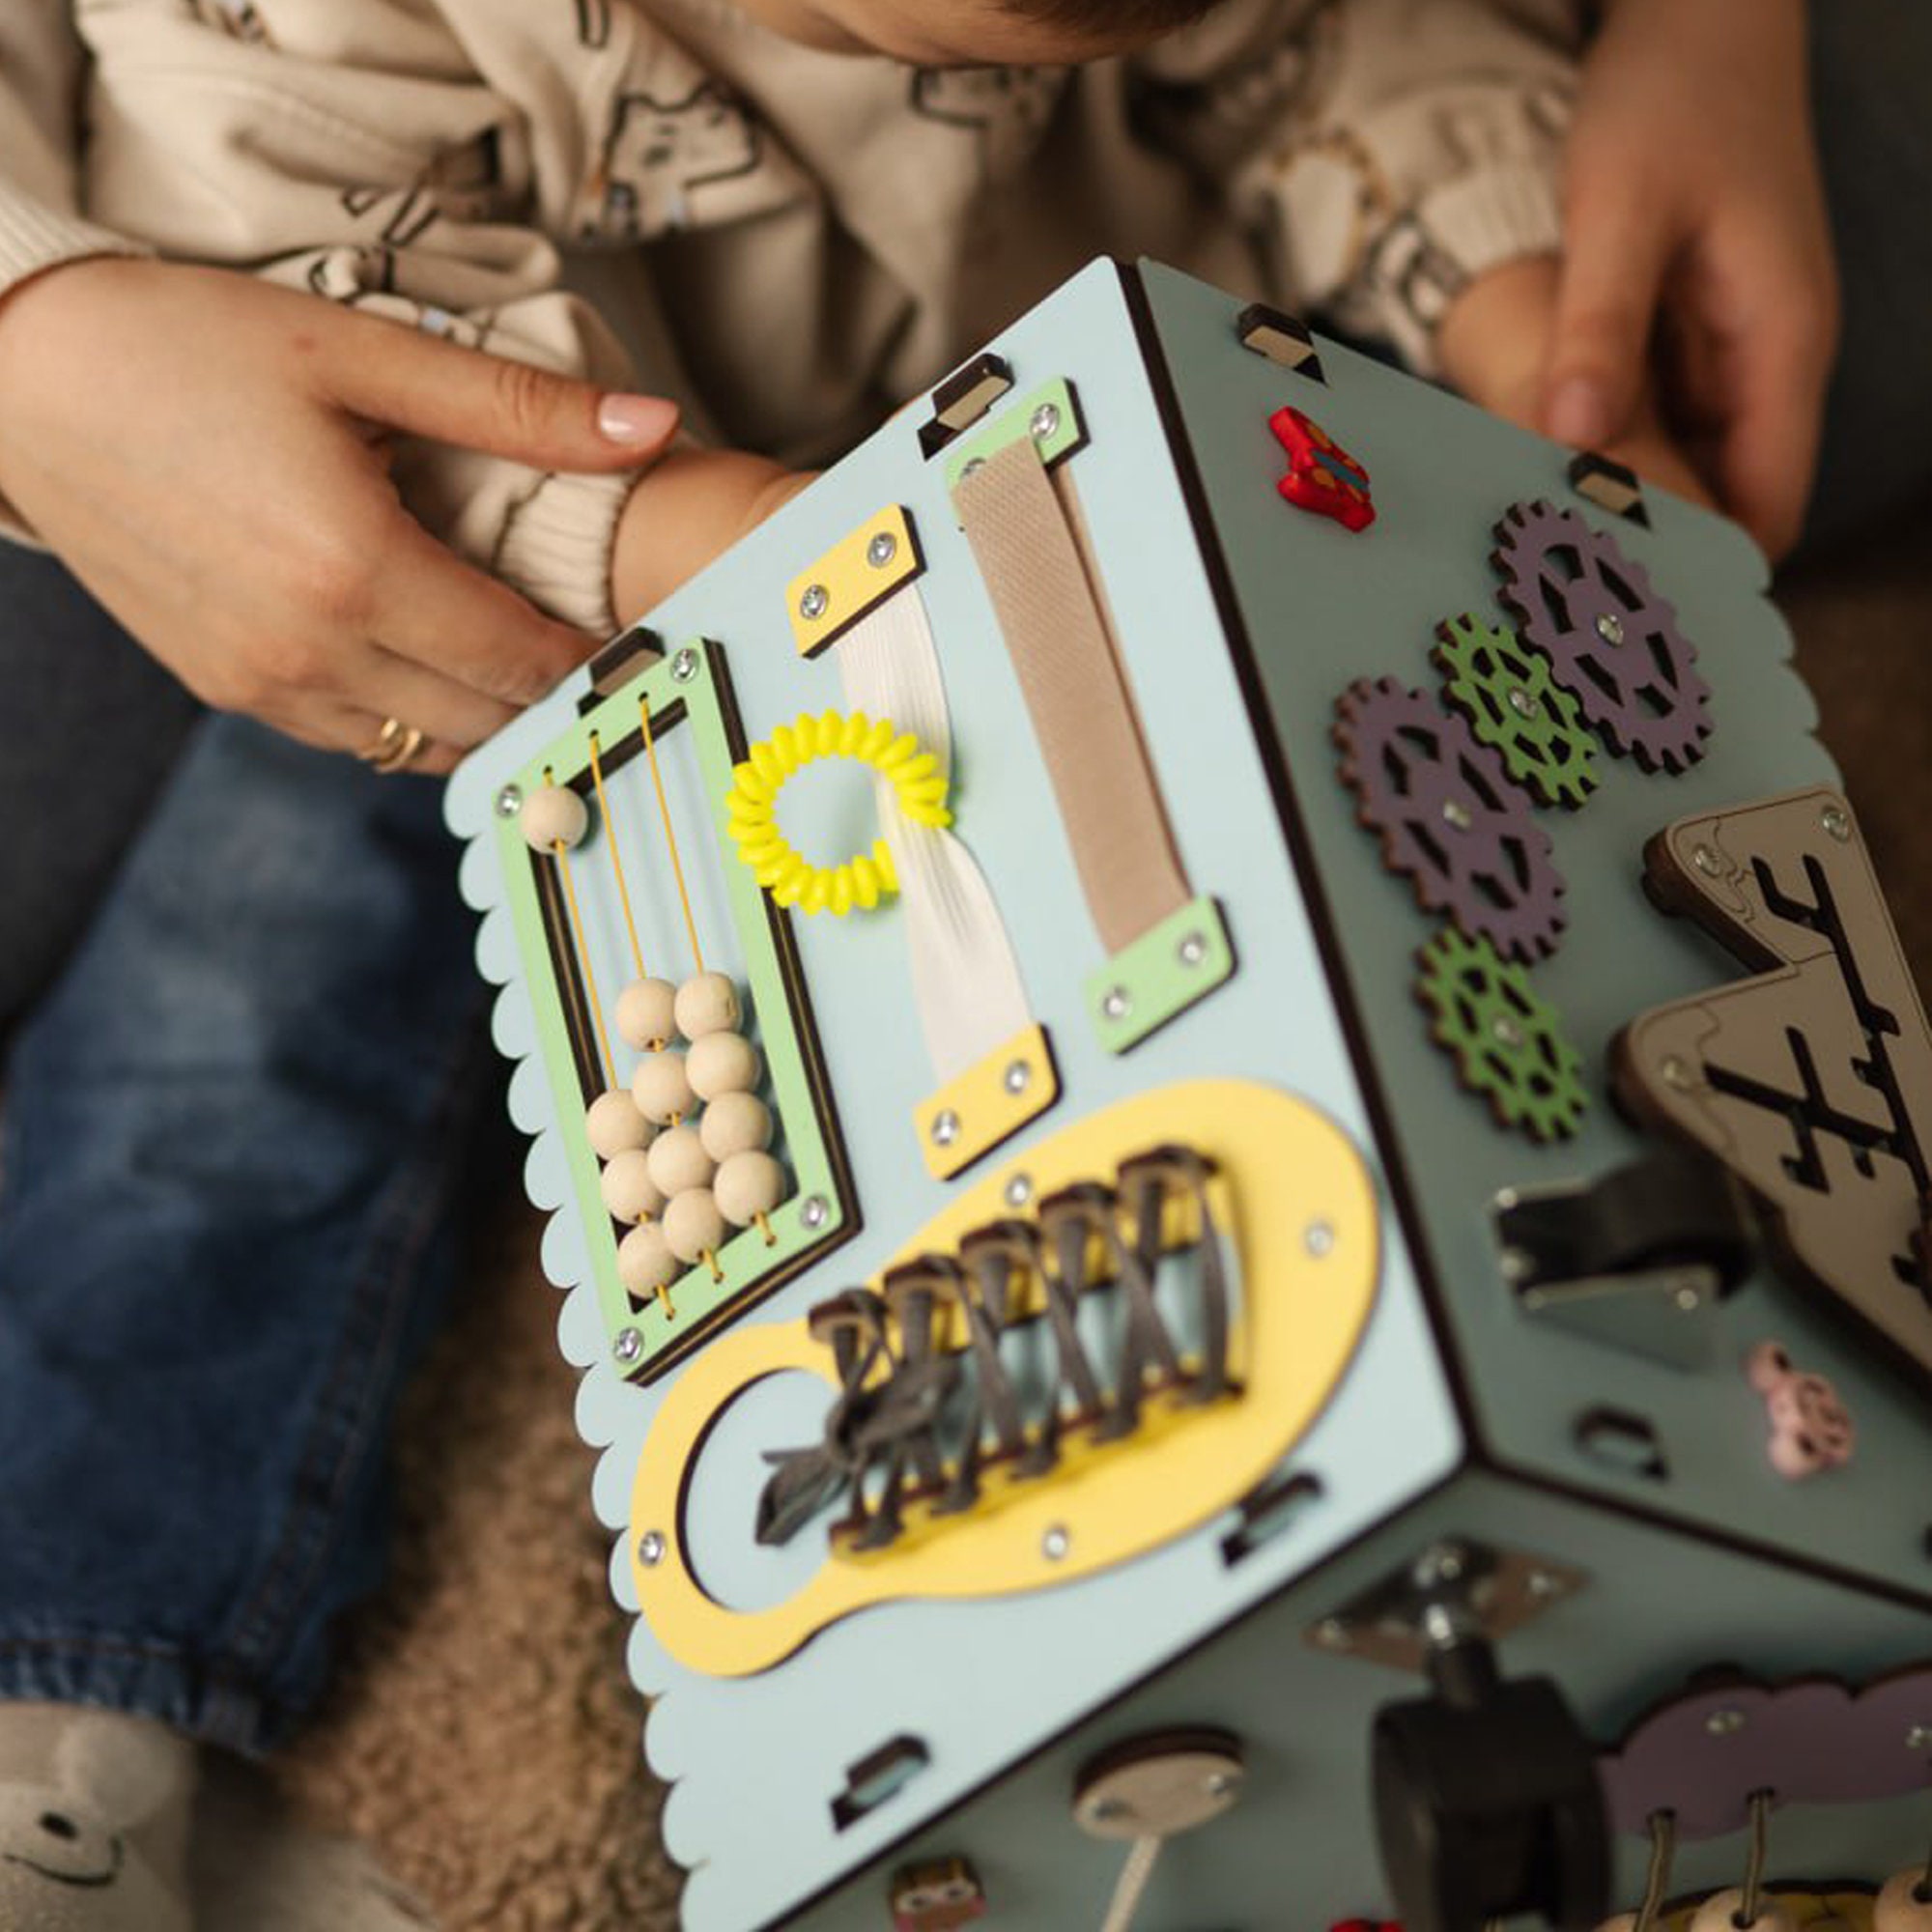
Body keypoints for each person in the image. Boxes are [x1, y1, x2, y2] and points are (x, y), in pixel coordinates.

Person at [0, 0, 1899, 1925]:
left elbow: (1335, 58)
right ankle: (69, 1687)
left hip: (1053, 405)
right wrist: (716, 547)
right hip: (466, 524)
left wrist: (1509, 286)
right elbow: (329, 354)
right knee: (233, 1008)